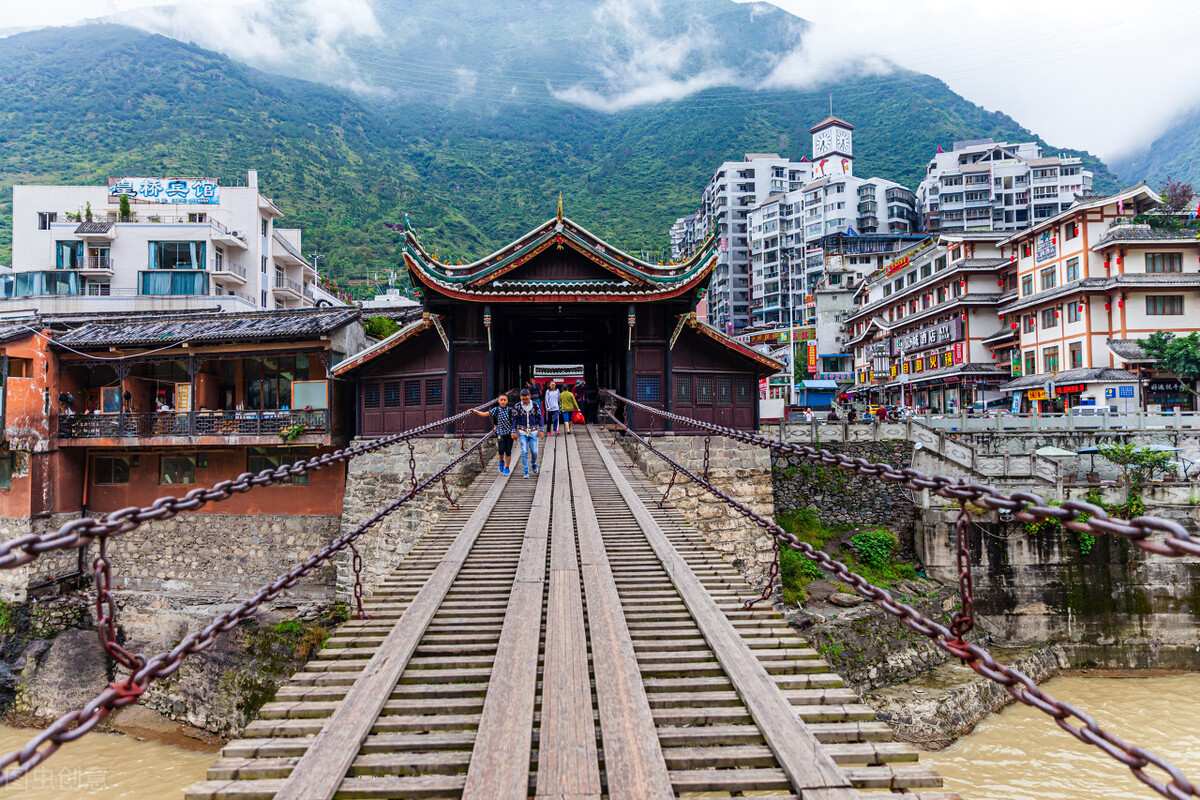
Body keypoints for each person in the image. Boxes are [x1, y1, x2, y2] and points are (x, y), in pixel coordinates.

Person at [472, 393, 517, 475]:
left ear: (507, 401)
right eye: (501, 400)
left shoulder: (511, 411)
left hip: (509, 433)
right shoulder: (496, 410)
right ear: (498, 401)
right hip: (500, 433)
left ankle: (507, 468)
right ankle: (501, 461)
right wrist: (475, 411)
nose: (503, 401)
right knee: (501, 450)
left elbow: (515, 422)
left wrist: (515, 433)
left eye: (504, 400)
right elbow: (485, 414)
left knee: (508, 451)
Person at [513, 388, 544, 478]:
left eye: (526, 399)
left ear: (530, 396)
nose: (525, 401)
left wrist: (541, 430)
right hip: (522, 431)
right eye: (523, 399)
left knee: (535, 451)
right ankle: (526, 471)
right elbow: (515, 419)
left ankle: (533, 463)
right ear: (520, 397)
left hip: (533, 431)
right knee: (524, 451)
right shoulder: (517, 406)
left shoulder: (535, 405)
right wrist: (514, 431)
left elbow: (540, 417)